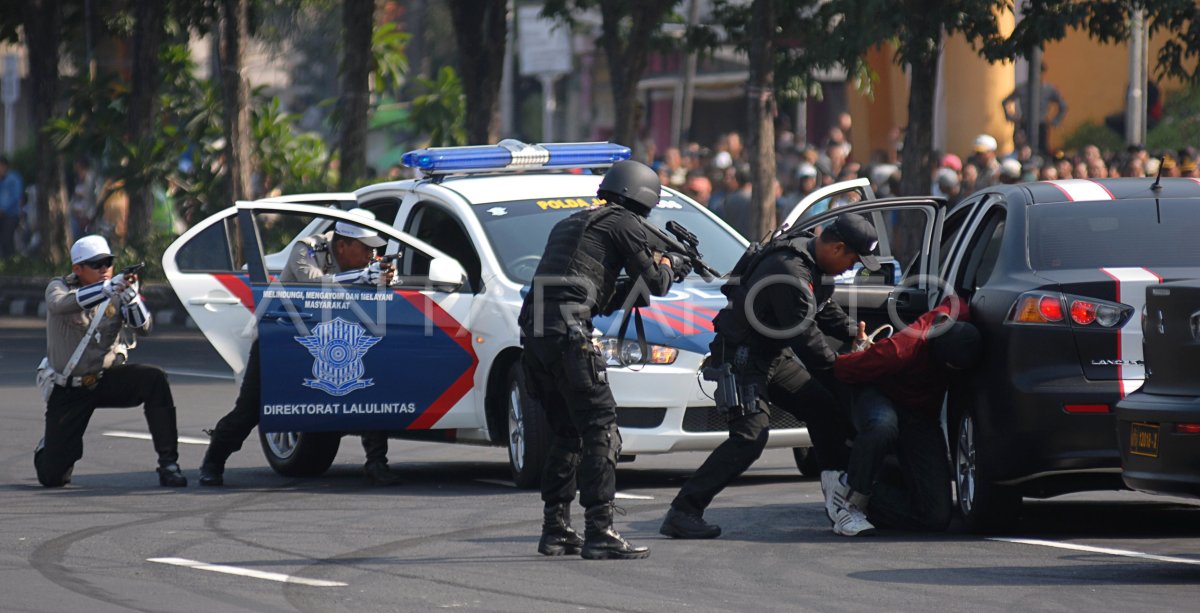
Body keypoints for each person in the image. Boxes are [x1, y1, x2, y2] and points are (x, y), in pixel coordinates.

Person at [659, 213, 878, 540]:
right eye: (853, 259)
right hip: (743, 359)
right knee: (750, 437)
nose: (851, 268)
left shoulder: (810, 260)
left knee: (823, 408)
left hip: (772, 355)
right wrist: (844, 369)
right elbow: (805, 337)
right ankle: (683, 511)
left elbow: (821, 308)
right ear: (838, 247)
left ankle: (839, 499)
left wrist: (853, 333)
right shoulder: (789, 271)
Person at [518, 159, 682, 560]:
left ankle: (555, 529)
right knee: (602, 429)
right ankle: (600, 530)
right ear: (642, 198)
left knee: (567, 432)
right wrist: (670, 263)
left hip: (536, 334)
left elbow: (591, 288)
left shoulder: (573, 223)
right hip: (568, 335)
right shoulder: (624, 223)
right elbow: (658, 283)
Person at [198, 209, 402, 487]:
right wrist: (361, 277)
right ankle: (214, 460)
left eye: (373, 250)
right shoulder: (306, 249)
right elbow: (313, 285)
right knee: (250, 408)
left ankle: (376, 462)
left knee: (370, 390)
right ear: (342, 246)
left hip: (340, 336)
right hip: (284, 336)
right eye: (366, 248)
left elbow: (383, 295)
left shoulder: (367, 264)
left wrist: (386, 280)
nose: (371, 255)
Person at [35, 235, 187, 487]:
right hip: (70, 388)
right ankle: (49, 446)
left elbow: (144, 328)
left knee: (154, 379)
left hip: (105, 379)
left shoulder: (116, 292)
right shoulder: (59, 287)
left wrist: (132, 298)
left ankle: (169, 464)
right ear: (77, 269)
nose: (104, 268)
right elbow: (60, 305)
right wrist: (107, 288)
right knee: (53, 477)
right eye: (97, 264)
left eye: (108, 262)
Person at [827, 297, 981, 536]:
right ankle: (849, 495)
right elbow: (842, 369)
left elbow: (954, 299)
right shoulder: (901, 350)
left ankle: (871, 495)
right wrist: (857, 347)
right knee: (883, 426)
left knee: (936, 517)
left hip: (919, 413)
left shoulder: (958, 314)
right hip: (878, 393)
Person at [0, 155, 24, 258]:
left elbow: (16, 197)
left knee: (7, 239)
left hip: (11, 215)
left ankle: (11, 261)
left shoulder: (14, 179)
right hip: (1, 215)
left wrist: (3, 209)